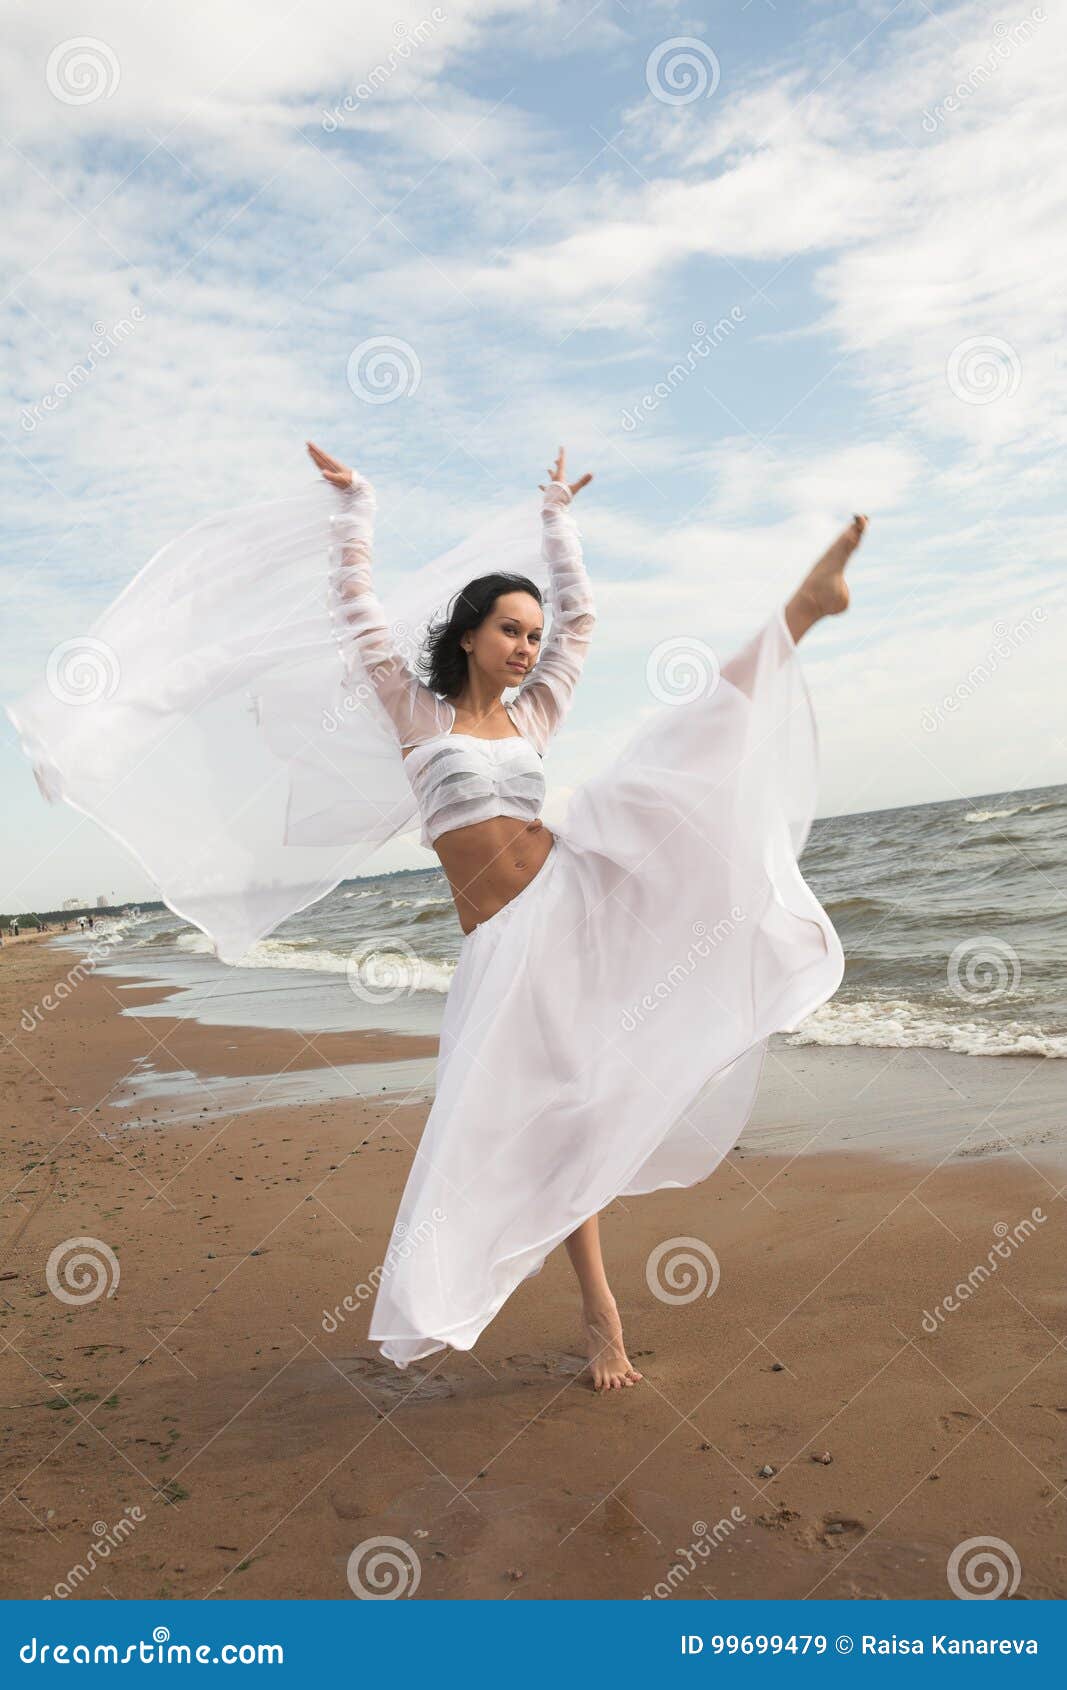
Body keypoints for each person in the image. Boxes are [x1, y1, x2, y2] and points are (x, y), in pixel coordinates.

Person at [306, 442, 868, 1389]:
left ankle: (800, 610)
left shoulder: (535, 715)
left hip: (575, 898)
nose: (528, 646)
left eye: (533, 633)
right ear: (471, 635)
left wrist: (557, 515)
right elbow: (355, 608)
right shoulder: (416, 713)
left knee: (672, 748)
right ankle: (598, 1309)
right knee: (544, 1115)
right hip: (501, 945)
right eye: (512, 631)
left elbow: (584, 618)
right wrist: (357, 504)